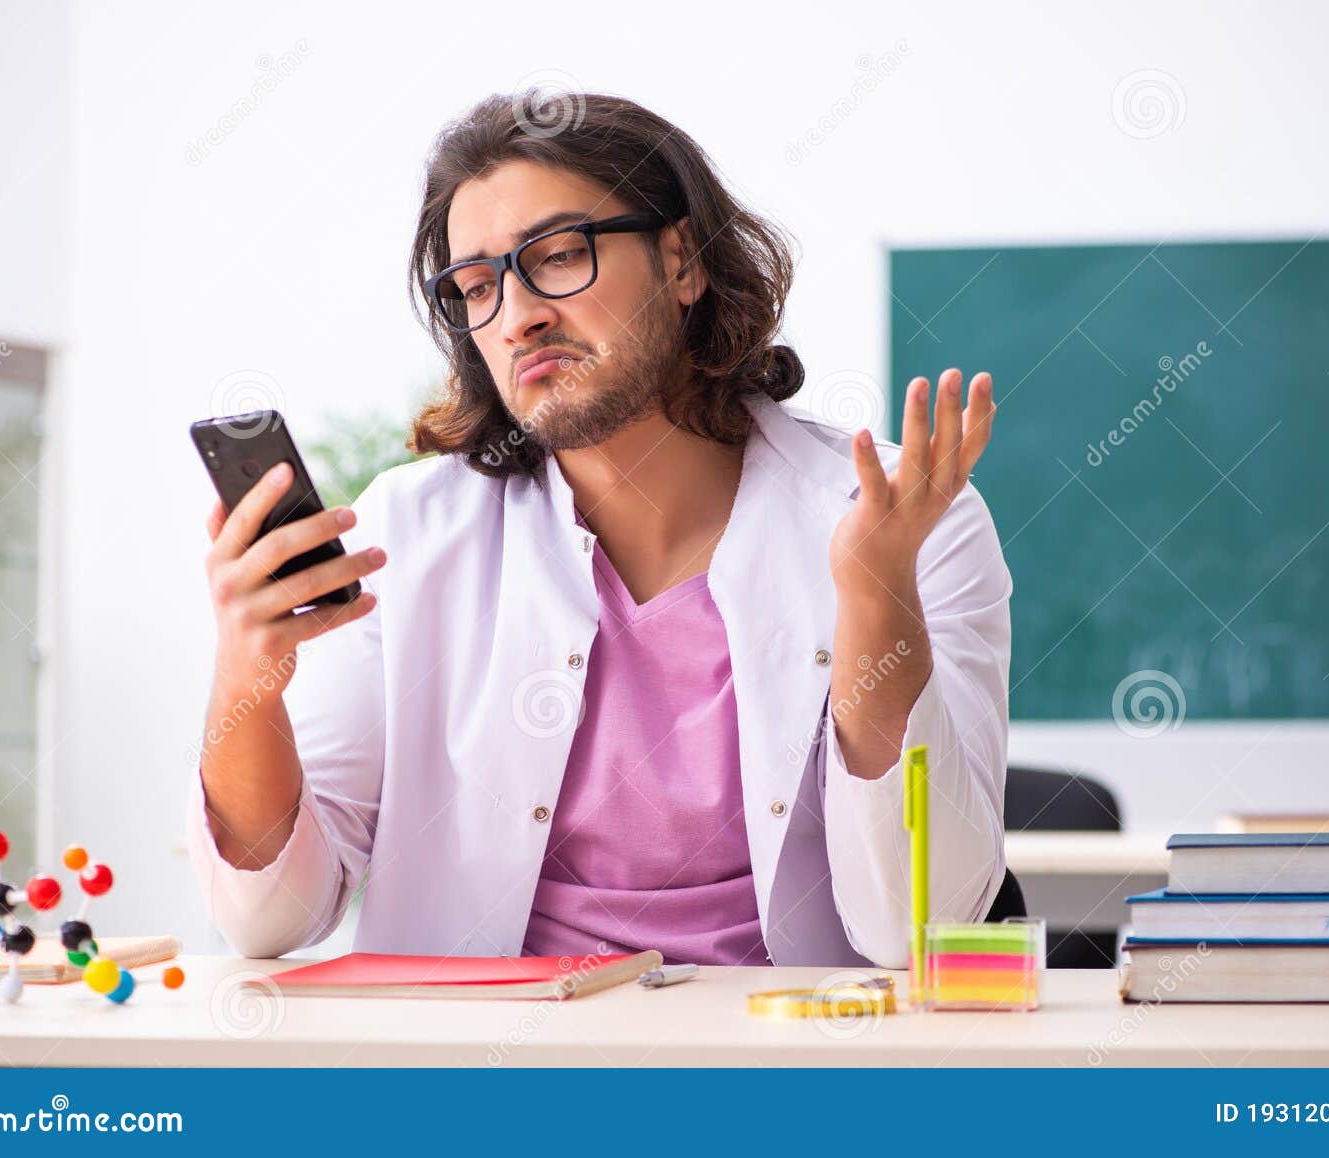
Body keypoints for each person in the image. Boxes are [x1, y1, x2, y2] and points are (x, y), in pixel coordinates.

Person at [187, 90, 1010, 968]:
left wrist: (877, 594)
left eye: (559, 255)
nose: (517, 315)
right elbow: (270, 919)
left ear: (683, 262)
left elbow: (918, 924)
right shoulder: (406, 535)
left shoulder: (906, 520)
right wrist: (250, 677)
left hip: (786, 1067)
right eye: (476, 286)